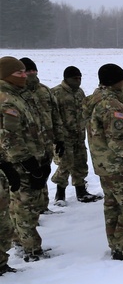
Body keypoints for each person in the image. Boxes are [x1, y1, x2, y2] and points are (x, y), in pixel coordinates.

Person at [87, 63, 123, 260]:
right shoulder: (111, 106)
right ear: (115, 81)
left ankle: (116, 245)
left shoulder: (95, 98)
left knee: (113, 206)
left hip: (104, 165)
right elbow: (118, 139)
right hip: (118, 165)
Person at [0, 57, 48, 262]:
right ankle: (31, 248)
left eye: (24, 72)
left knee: (24, 204)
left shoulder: (18, 95)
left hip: (29, 157)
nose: (24, 76)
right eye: (19, 73)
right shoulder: (7, 100)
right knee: (25, 205)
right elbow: (9, 136)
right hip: (19, 162)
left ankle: (22, 240)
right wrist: (27, 161)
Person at [50, 65, 102, 203]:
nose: (78, 81)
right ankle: (60, 194)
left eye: (80, 78)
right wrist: (57, 136)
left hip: (79, 135)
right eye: (75, 78)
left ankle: (81, 191)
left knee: (80, 162)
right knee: (65, 164)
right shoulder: (56, 93)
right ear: (66, 78)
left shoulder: (79, 92)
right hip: (63, 136)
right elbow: (52, 116)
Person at [21, 57, 63, 214]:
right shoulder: (17, 94)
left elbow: (55, 116)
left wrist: (59, 139)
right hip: (26, 146)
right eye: (28, 71)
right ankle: (27, 215)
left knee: (43, 174)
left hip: (46, 143)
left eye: (33, 70)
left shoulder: (45, 91)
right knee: (28, 180)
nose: (32, 73)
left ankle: (42, 207)